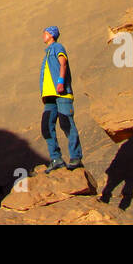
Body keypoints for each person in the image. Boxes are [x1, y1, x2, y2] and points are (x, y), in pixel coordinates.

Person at [39, 25, 82, 172]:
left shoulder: (57, 47)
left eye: (44, 33)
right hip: (50, 97)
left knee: (66, 123)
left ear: (50, 35)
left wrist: (60, 82)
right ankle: (56, 158)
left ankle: (76, 157)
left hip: (61, 93)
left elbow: (63, 63)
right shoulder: (47, 53)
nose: (42, 36)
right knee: (46, 126)